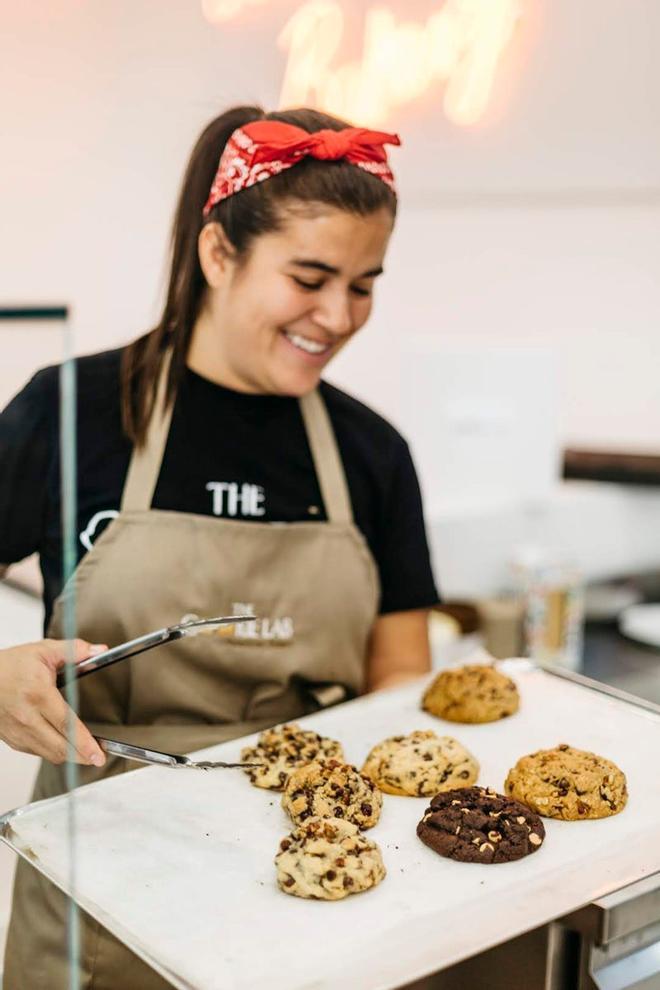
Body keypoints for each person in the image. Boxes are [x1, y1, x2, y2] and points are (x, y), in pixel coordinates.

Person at [0, 105, 439, 988]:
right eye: (310, 277)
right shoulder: (73, 411)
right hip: (101, 882)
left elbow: (401, 674)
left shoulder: (373, 453)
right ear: (217, 254)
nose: (339, 315)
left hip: (316, 879)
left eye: (363, 285)